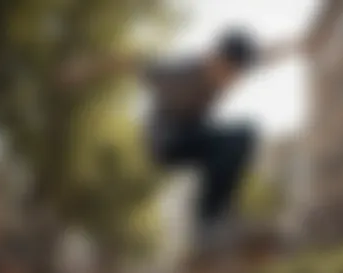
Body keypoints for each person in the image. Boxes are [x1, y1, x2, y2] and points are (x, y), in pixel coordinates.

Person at [60, 29, 304, 253]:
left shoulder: (236, 65)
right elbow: (128, 63)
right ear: (213, 59)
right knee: (217, 137)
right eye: (226, 73)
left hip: (195, 136)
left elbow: (268, 54)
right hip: (165, 142)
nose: (228, 82)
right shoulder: (176, 72)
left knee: (243, 135)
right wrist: (83, 69)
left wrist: (302, 44)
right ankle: (210, 221)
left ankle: (213, 219)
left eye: (234, 77)